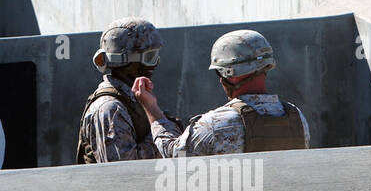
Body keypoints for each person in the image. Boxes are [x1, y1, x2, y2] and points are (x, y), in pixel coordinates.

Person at [135, 29, 310, 157]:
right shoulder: (296, 117)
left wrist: (152, 110)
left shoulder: (214, 125)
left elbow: (175, 155)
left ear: (229, 74)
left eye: (219, 72)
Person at [75, 17, 175, 163]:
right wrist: (163, 130)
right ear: (124, 61)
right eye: (150, 57)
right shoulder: (110, 109)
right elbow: (122, 171)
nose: (155, 64)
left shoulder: (133, 97)